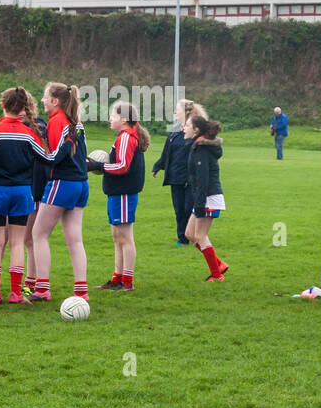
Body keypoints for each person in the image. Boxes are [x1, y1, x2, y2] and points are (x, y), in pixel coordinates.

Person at [0, 87, 46, 305]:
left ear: (2, 105)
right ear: (23, 108)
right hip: (22, 191)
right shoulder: (30, 134)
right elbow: (46, 158)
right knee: (17, 243)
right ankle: (16, 293)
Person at [30, 82, 89, 303]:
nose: (43, 100)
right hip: (81, 184)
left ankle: (42, 287)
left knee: (39, 233)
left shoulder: (57, 121)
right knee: (75, 239)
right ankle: (81, 290)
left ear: (56, 101)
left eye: (45, 97)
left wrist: (32, 145)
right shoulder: (77, 123)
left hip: (63, 182)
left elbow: (53, 157)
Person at [88, 101, 149, 292]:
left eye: (113, 116)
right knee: (117, 236)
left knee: (125, 237)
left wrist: (98, 166)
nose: (110, 119)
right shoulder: (126, 136)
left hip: (123, 193)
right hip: (118, 193)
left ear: (123, 120)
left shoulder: (125, 138)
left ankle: (127, 282)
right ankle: (117, 278)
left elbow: (122, 166)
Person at [153, 99, 206, 245]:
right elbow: (167, 152)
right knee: (178, 209)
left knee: (189, 208)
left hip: (191, 178)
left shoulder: (196, 132)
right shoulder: (175, 130)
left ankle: (193, 235)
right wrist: (158, 166)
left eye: (177, 110)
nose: (175, 112)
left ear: (186, 113)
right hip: (175, 176)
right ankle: (182, 238)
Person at [185, 114, 228, 282]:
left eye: (187, 125)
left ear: (196, 130)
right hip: (203, 196)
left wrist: (200, 203)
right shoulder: (197, 144)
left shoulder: (201, 148)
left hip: (208, 196)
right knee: (190, 233)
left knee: (201, 235)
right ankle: (218, 264)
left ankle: (216, 275)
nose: (184, 128)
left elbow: (203, 178)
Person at [23, 95, 48, 297]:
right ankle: (31, 281)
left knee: (30, 237)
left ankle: (33, 282)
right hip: (23, 188)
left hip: (34, 189)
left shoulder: (38, 127)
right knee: (26, 238)